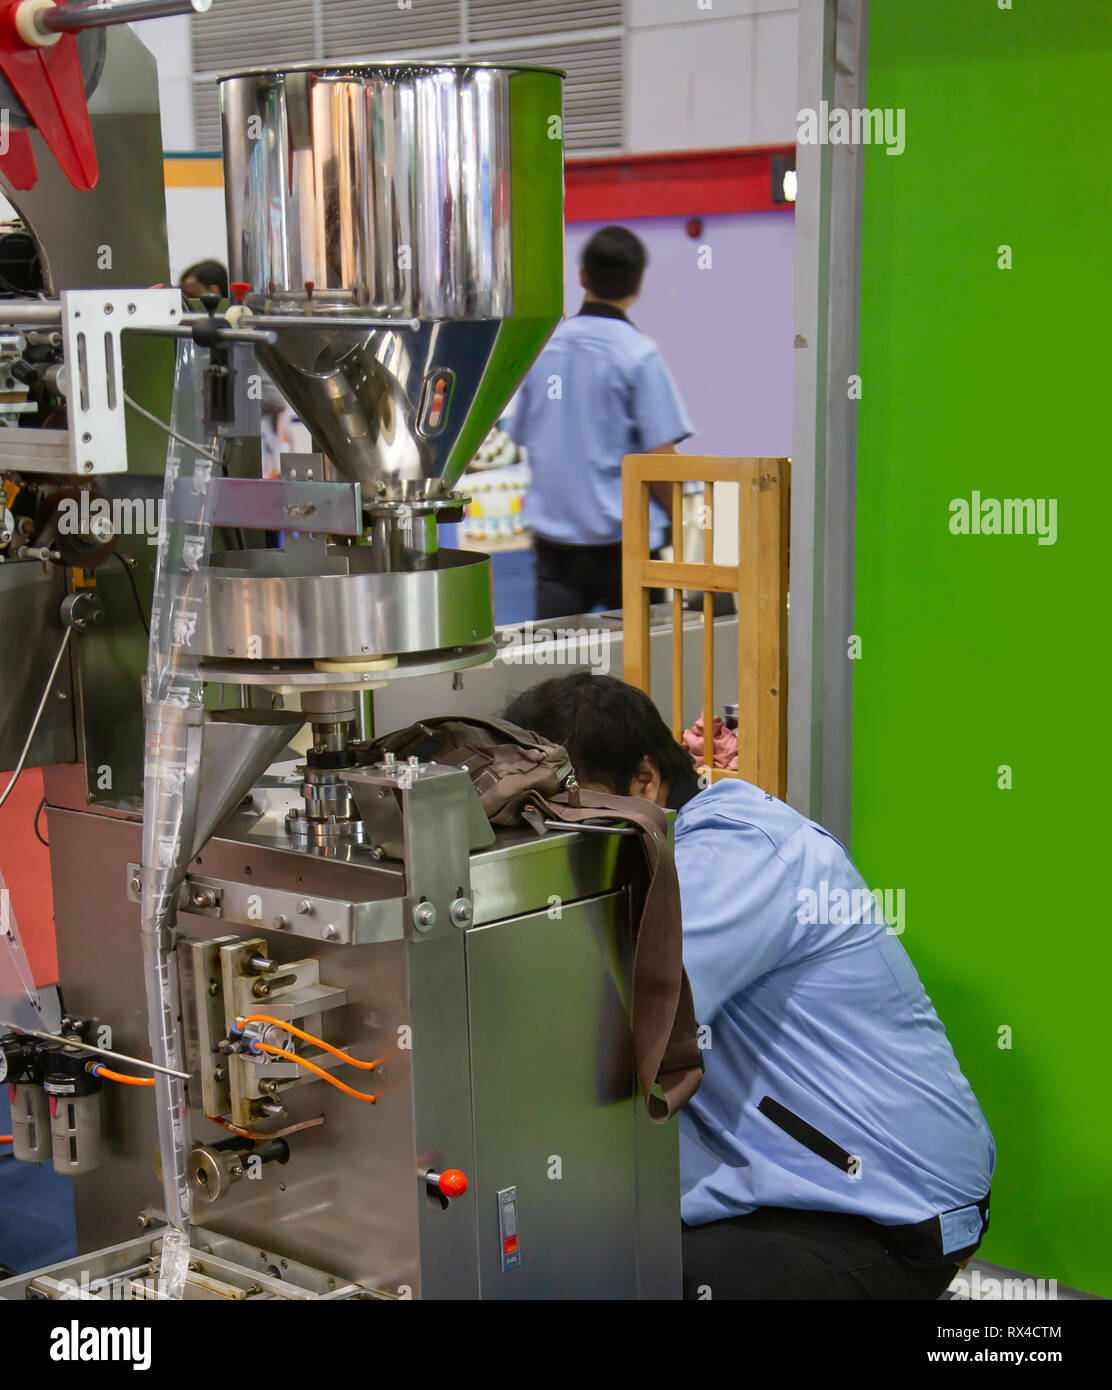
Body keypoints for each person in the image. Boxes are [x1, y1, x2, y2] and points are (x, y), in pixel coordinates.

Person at [504, 674, 996, 1300]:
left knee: (631, 1280)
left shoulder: (738, 850)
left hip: (892, 1213)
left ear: (645, 782)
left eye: (567, 810)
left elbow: (616, 1020)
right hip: (785, 1180)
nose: (554, 835)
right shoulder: (661, 851)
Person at [507, 225, 693, 619]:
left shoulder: (543, 348)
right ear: (637, 285)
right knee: (642, 665)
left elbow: (521, 432)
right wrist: (686, 522)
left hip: (555, 547)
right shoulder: (637, 355)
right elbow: (660, 456)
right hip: (624, 548)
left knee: (556, 662)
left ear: (582, 276)